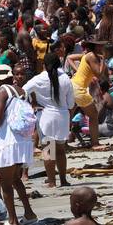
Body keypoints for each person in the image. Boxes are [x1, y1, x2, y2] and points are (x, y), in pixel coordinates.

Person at [0, 63, 37, 225]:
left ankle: (13, 220)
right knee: (16, 180)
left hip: (8, 142)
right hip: (21, 142)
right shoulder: (25, 93)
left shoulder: (3, 90)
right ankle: (29, 213)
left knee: (6, 185)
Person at [24, 52, 75, 187]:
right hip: (63, 117)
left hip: (45, 117)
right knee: (60, 150)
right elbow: (71, 104)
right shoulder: (65, 78)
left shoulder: (38, 79)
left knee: (48, 151)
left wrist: (32, 104)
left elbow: (23, 91)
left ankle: (52, 181)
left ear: (44, 65)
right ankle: (63, 180)